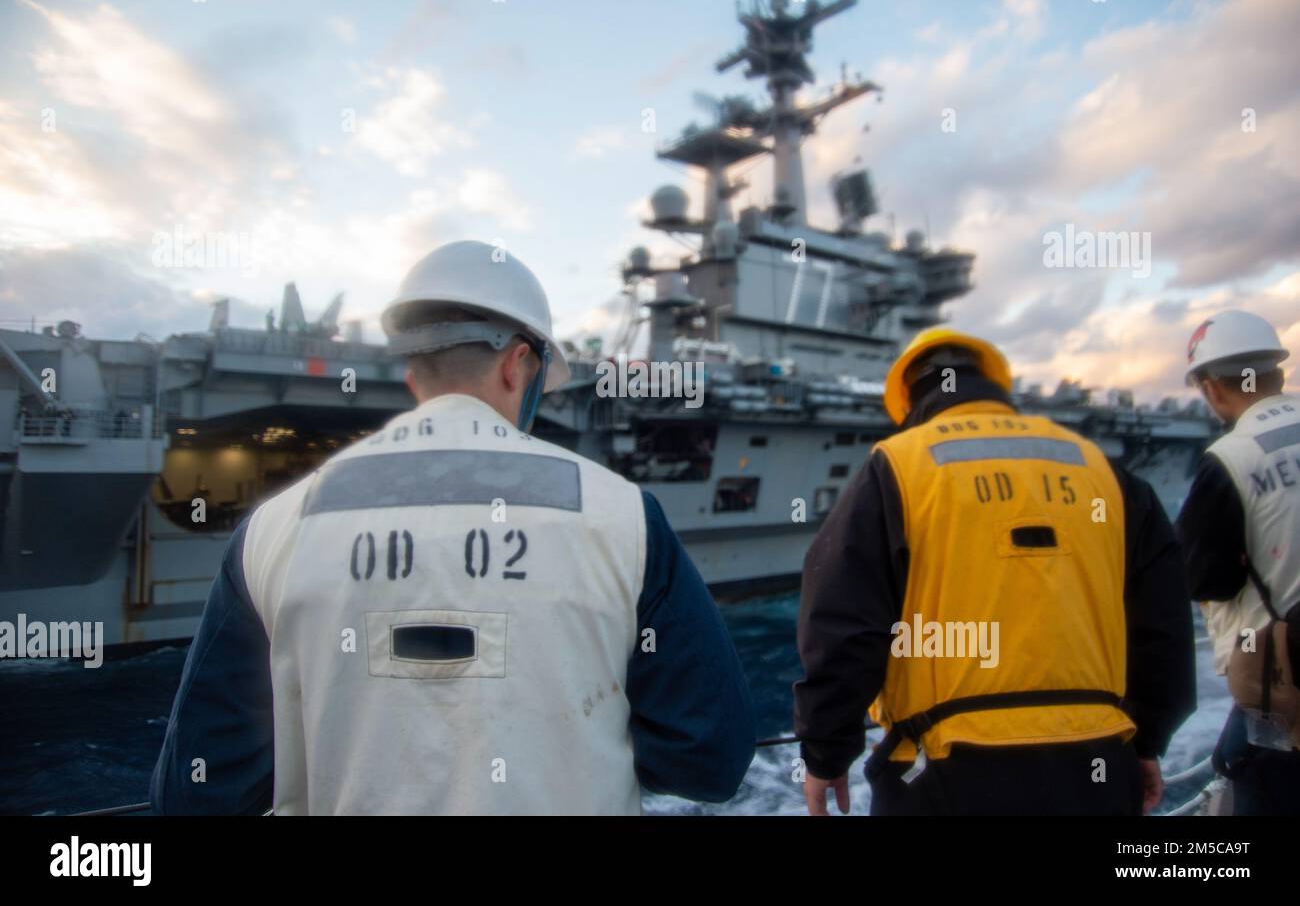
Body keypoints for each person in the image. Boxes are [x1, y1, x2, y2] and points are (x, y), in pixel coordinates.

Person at [151, 240, 755, 814]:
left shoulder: (271, 529)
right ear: (521, 366)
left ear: (414, 374)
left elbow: (194, 791)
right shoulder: (627, 518)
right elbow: (711, 761)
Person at [795, 328, 1196, 815]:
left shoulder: (898, 466)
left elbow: (843, 629)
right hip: (1098, 764)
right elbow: (1163, 627)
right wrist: (1148, 741)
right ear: (993, 382)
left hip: (946, 773)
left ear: (907, 399)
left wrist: (825, 755)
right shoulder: (1102, 469)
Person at [1175, 309, 1300, 815]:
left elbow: (1205, 577)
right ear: (1280, 372)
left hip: (1281, 682)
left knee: (1248, 774)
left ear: (1210, 388)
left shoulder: (1231, 457)